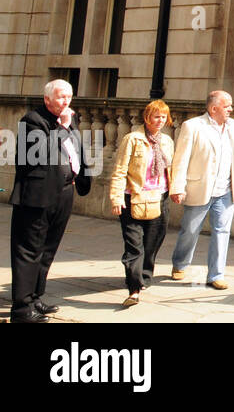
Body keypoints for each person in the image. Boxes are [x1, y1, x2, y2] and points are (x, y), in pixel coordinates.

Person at [8, 80, 94, 323]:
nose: (66, 101)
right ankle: (22, 310)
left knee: (47, 250)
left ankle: (35, 297)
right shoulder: (32, 121)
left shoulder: (69, 120)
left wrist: (83, 175)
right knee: (29, 252)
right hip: (36, 198)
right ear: (47, 99)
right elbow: (35, 155)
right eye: (61, 97)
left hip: (64, 192)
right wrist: (62, 127)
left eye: (69, 96)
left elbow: (77, 149)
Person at [169, 90, 234, 289]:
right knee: (190, 230)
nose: (231, 109)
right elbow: (181, 159)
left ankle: (216, 274)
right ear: (214, 108)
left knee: (222, 231)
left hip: (226, 190)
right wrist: (177, 187)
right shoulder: (193, 126)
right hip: (200, 187)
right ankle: (180, 263)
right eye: (226, 105)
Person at [109, 99, 174, 307]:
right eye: (156, 116)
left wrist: (176, 190)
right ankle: (134, 288)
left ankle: (145, 276)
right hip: (134, 197)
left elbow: (171, 169)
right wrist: (116, 197)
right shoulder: (133, 139)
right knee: (134, 245)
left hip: (159, 198)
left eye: (163, 116)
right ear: (147, 117)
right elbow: (119, 170)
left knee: (152, 243)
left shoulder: (167, 142)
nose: (160, 120)